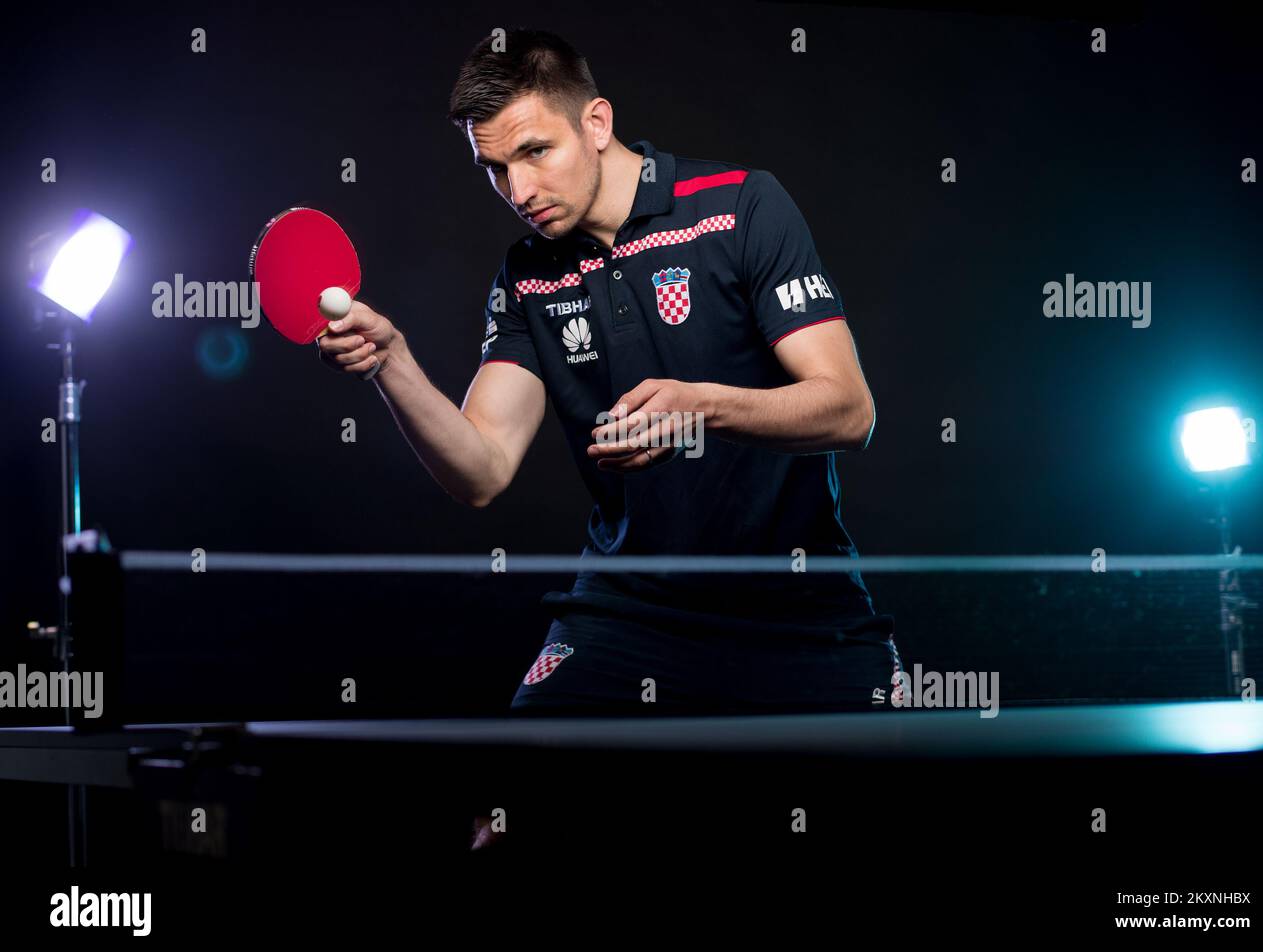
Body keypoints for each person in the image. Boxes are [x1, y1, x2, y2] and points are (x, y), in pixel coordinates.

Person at [318, 28, 905, 725]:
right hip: (628, 614)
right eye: (495, 168)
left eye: (536, 151)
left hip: (799, 606)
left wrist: (702, 405)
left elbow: (849, 411)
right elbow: (482, 468)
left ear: (596, 122)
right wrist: (394, 362)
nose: (520, 190)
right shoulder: (526, 276)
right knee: (506, 818)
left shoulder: (743, 205)